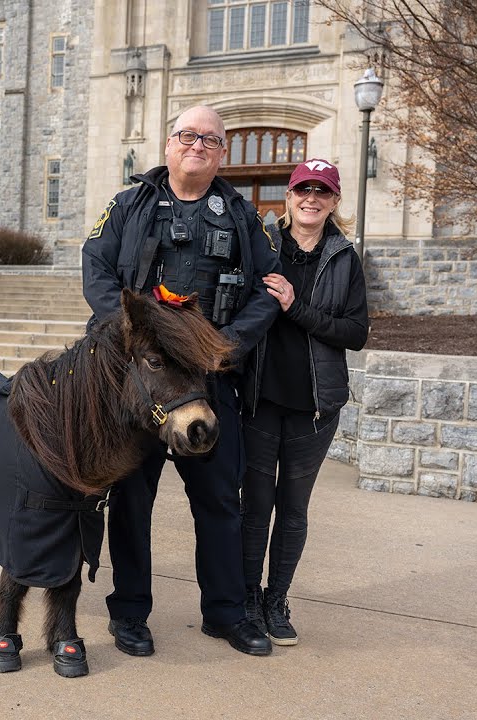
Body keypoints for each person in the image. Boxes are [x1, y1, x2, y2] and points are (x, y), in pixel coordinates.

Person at [81, 105, 282, 657]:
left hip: (208, 384)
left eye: (211, 140)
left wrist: (226, 345)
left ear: (222, 154)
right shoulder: (128, 206)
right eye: (188, 136)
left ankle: (224, 614)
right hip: (139, 384)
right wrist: (134, 332)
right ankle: (129, 615)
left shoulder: (244, 217)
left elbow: (271, 288)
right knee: (129, 503)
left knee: (219, 503)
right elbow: (95, 268)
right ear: (169, 145)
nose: (199, 145)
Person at [239, 158, 370, 646]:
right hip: (260, 399)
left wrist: (297, 308)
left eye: (322, 191)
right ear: (288, 197)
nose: (311, 198)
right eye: (303, 189)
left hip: (315, 408)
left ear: (334, 201)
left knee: (293, 509)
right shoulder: (263, 247)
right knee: (254, 507)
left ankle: (277, 601)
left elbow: (355, 333)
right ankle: (248, 601)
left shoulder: (344, 257)